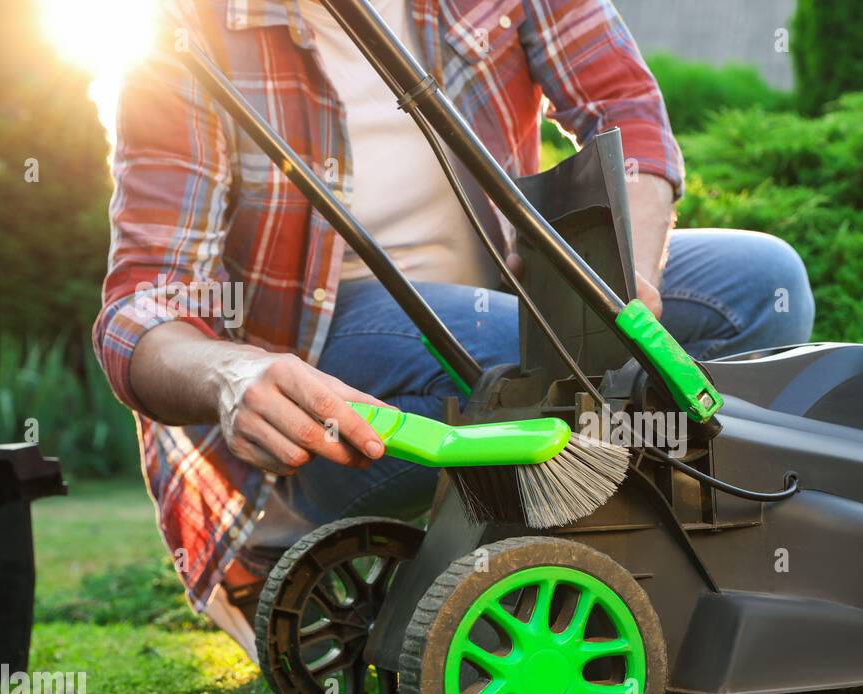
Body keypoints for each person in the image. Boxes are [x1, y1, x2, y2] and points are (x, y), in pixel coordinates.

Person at [93, 0, 814, 656]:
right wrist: (232, 376)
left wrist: (629, 287)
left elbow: (623, 106)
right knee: (525, 357)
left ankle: (638, 545)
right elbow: (144, 305)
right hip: (320, 362)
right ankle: (296, 541)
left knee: (760, 282)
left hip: (502, 295)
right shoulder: (185, 33)